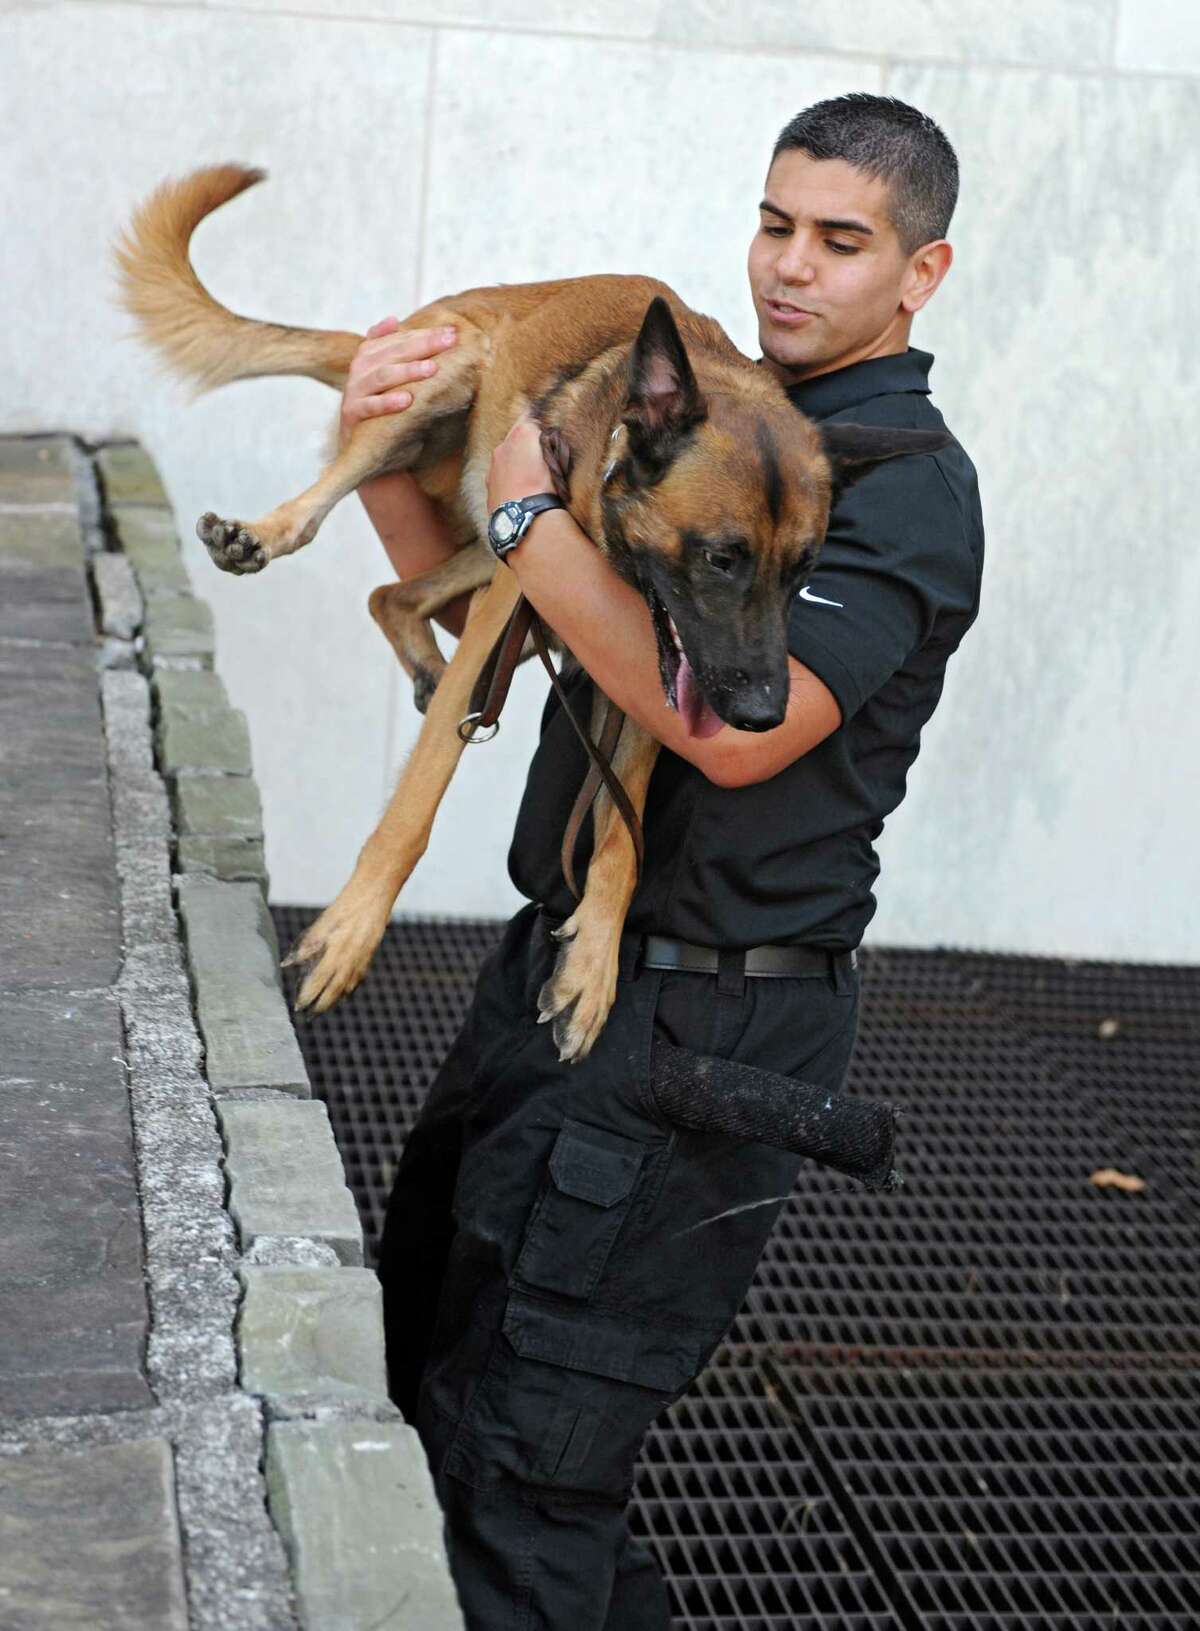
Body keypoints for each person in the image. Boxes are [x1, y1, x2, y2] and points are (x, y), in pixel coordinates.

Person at [347, 93, 984, 1631]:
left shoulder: (901, 487)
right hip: (556, 968)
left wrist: (519, 507)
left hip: (706, 1025)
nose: (789, 267)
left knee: (527, 1473)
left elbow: (742, 734)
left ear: (924, 271)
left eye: (842, 241)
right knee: (426, 1389)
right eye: (775, 224)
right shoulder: (701, 405)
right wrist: (396, 437)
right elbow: (503, 619)